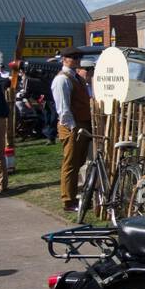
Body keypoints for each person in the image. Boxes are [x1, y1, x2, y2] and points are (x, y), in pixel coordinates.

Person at [51, 49, 93, 211]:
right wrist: (73, 128)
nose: (76, 60)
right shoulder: (62, 79)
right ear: (64, 59)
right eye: (73, 57)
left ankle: (74, 195)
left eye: (78, 57)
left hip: (81, 124)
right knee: (70, 163)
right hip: (72, 126)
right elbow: (63, 108)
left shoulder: (77, 78)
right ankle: (68, 200)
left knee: (78, 162)